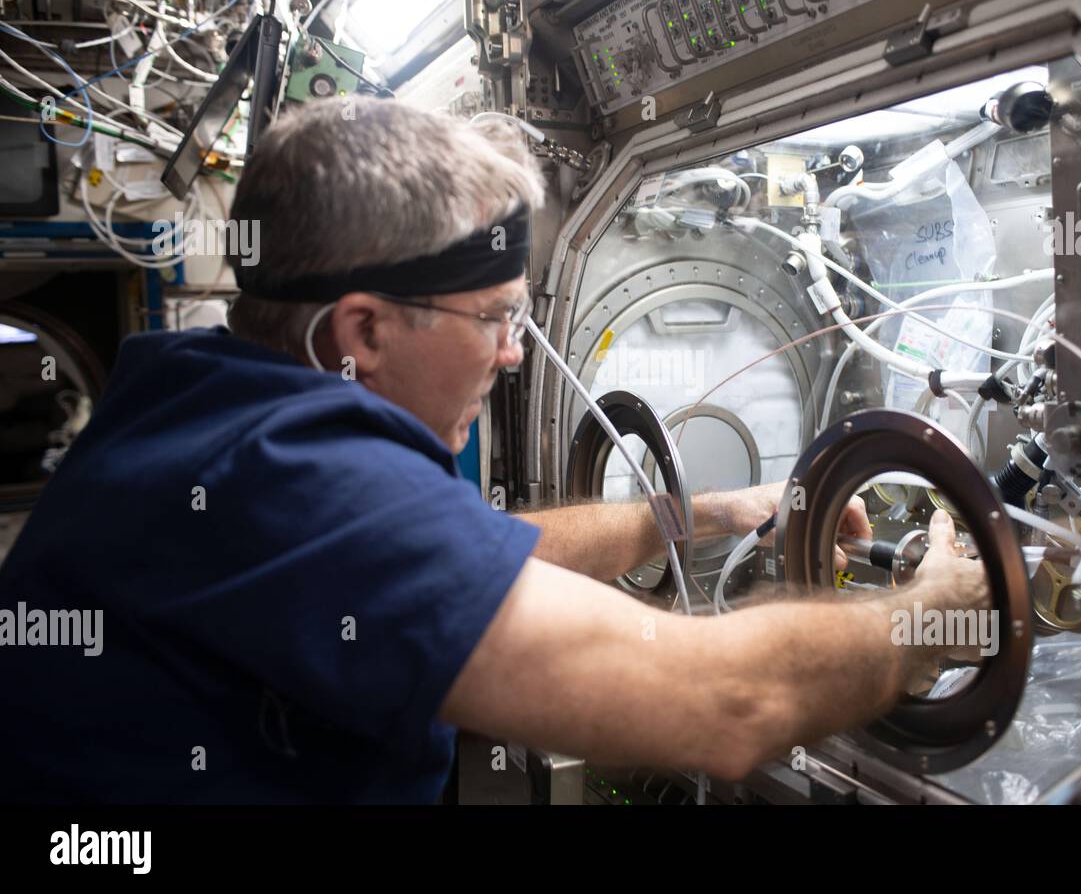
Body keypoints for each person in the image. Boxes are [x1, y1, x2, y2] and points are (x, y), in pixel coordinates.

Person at [0, 98, 988, 802]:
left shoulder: (204, 401)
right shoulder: (296, 478)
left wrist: (705, 512)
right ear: (365, 331)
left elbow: (465, 552)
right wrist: (941, 611)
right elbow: (724, 703)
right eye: (495, 316)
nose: (516, 353)